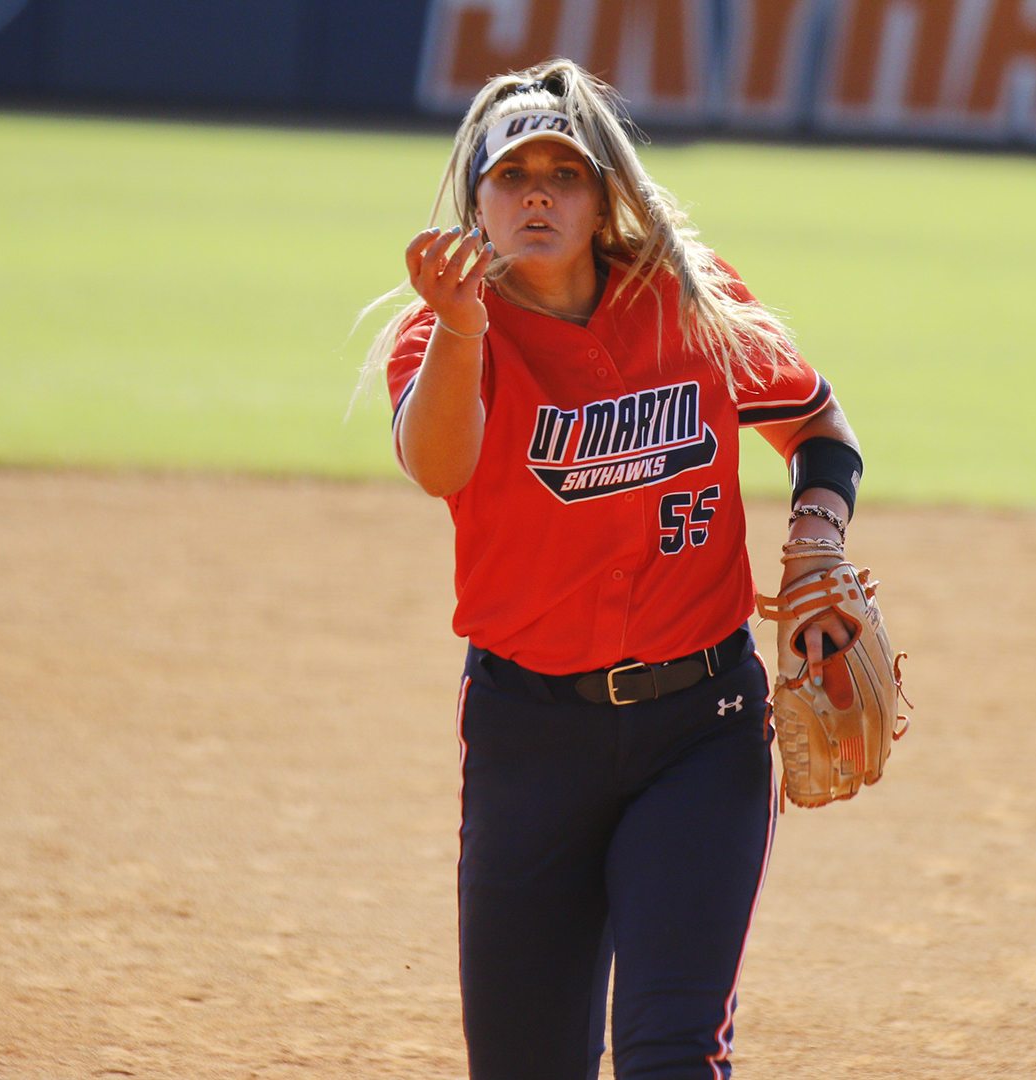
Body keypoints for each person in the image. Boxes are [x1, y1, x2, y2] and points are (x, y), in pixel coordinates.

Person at [363, 58, 866, 1080]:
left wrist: (816, 535)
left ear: (604, 198)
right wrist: (463, 330)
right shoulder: (441, 333)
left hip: (703, 733)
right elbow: (437, 465)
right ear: (477, 203)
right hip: (527, 742)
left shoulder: (687, 300)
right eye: (512, 177)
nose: (537, 192)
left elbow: (819, 421)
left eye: (565, 172)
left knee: (668, 1054)